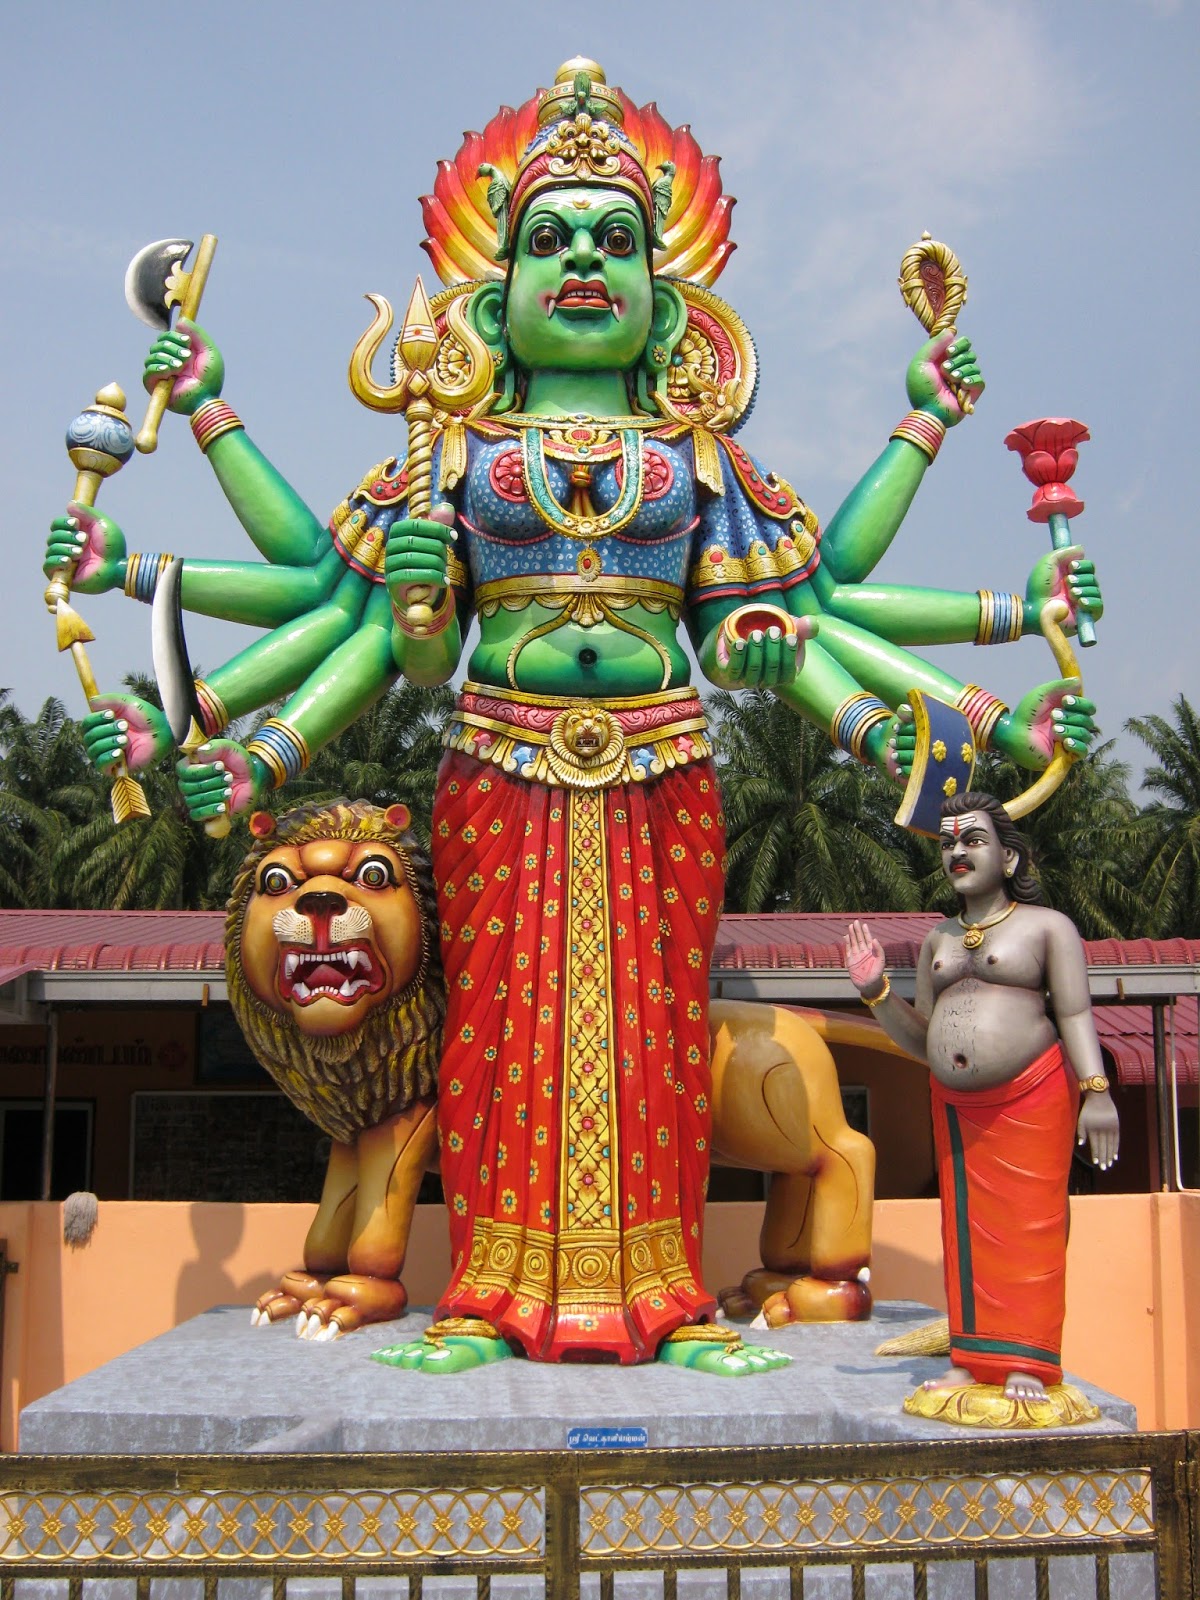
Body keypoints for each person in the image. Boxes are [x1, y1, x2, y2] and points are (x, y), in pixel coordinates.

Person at [45, 60, 1102, 1370]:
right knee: (499, 1039)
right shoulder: (459, 454)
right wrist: (250, 670)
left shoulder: (701, 459)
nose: (585, 262)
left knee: (653, 1037)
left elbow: (794, 613)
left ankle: (662, 1296)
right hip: (499, 767)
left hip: (662, 773)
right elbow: (364, 627)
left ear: (673, 300)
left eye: (617, 241)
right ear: (497, 292)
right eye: (551, 240)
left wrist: (877, 664)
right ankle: (490, 1296)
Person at [845, 791, 1119, 1404]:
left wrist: (1095, 1091)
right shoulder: (937, 938)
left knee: (1030, 1229)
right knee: (964, 1233)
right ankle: (971, 1356)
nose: (958, 854)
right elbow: (921, 1038)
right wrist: (875, 993)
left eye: (972, 840)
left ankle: (1028, 1361)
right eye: (948, 845)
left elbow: (1074, 1012)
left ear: (1009, 857)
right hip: (953, 1104)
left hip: (1031, 1095)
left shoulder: (1048, 928)